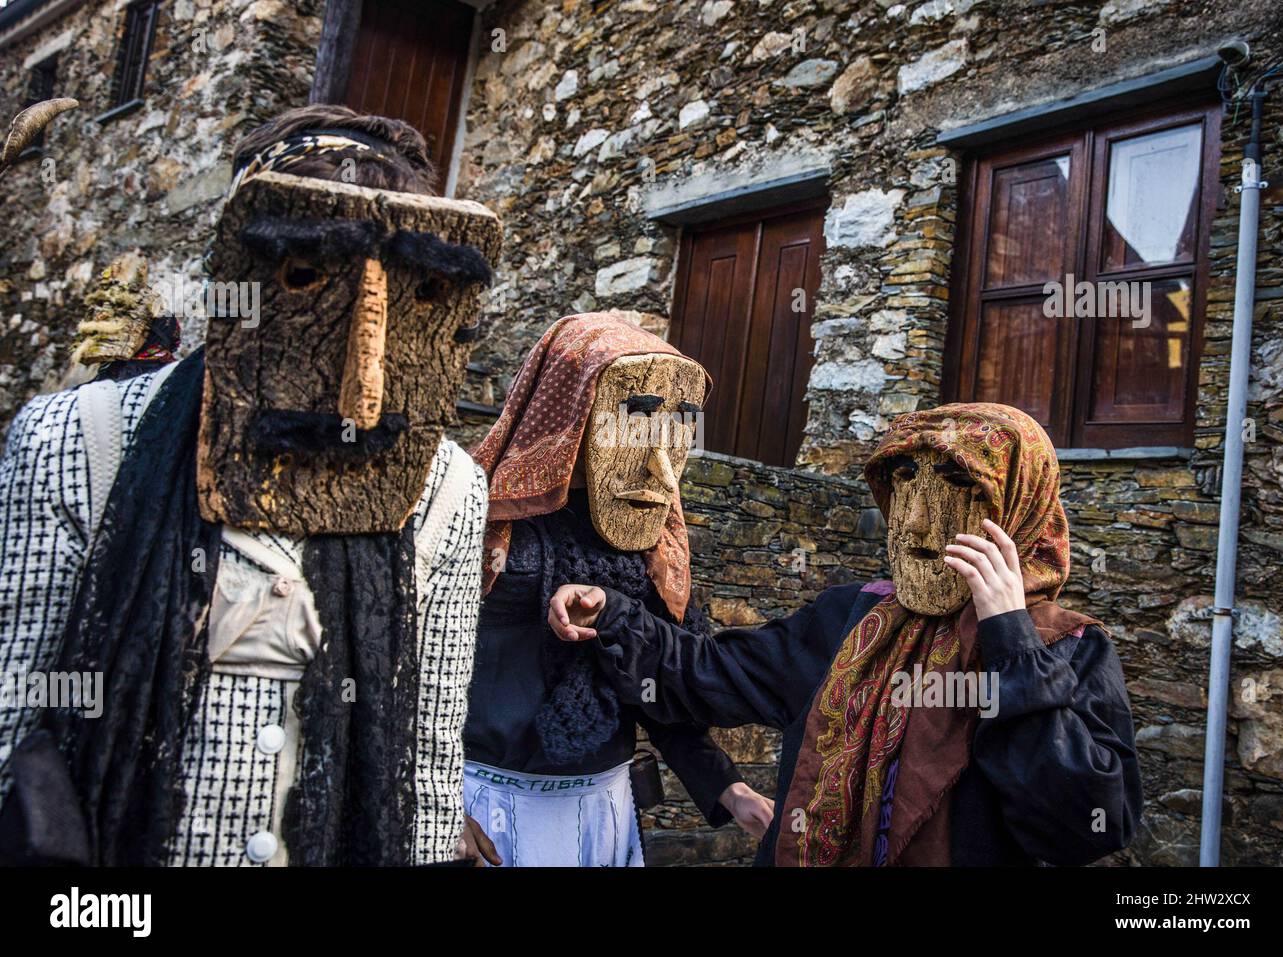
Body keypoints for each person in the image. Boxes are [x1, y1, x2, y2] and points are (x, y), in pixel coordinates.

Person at [0, 104, 502, 867]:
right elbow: (15, 705)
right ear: (237, 270)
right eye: (305, 276)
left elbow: (424, 745)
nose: (360, 380)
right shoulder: (84, 439)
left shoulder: (446, 488)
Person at [548, 403, 1142, 866]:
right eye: (903, 482)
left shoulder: (1068, 646)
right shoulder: (849, 617)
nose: (914, 520)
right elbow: (710, 673)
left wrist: (1011, 641)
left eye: (959, 485)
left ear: (1020, 504)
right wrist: (614, 616)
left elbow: (1084, 824)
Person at [463, 313, 773, 866]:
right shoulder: (483, 518)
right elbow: (410, 668)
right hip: (484, 807)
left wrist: (727, 786)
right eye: (637, 416)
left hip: (604, 810)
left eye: (679, 426)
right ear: (572, 405)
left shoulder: (649, 541)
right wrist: (437, 806)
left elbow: (657, 677)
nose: (659, 462)